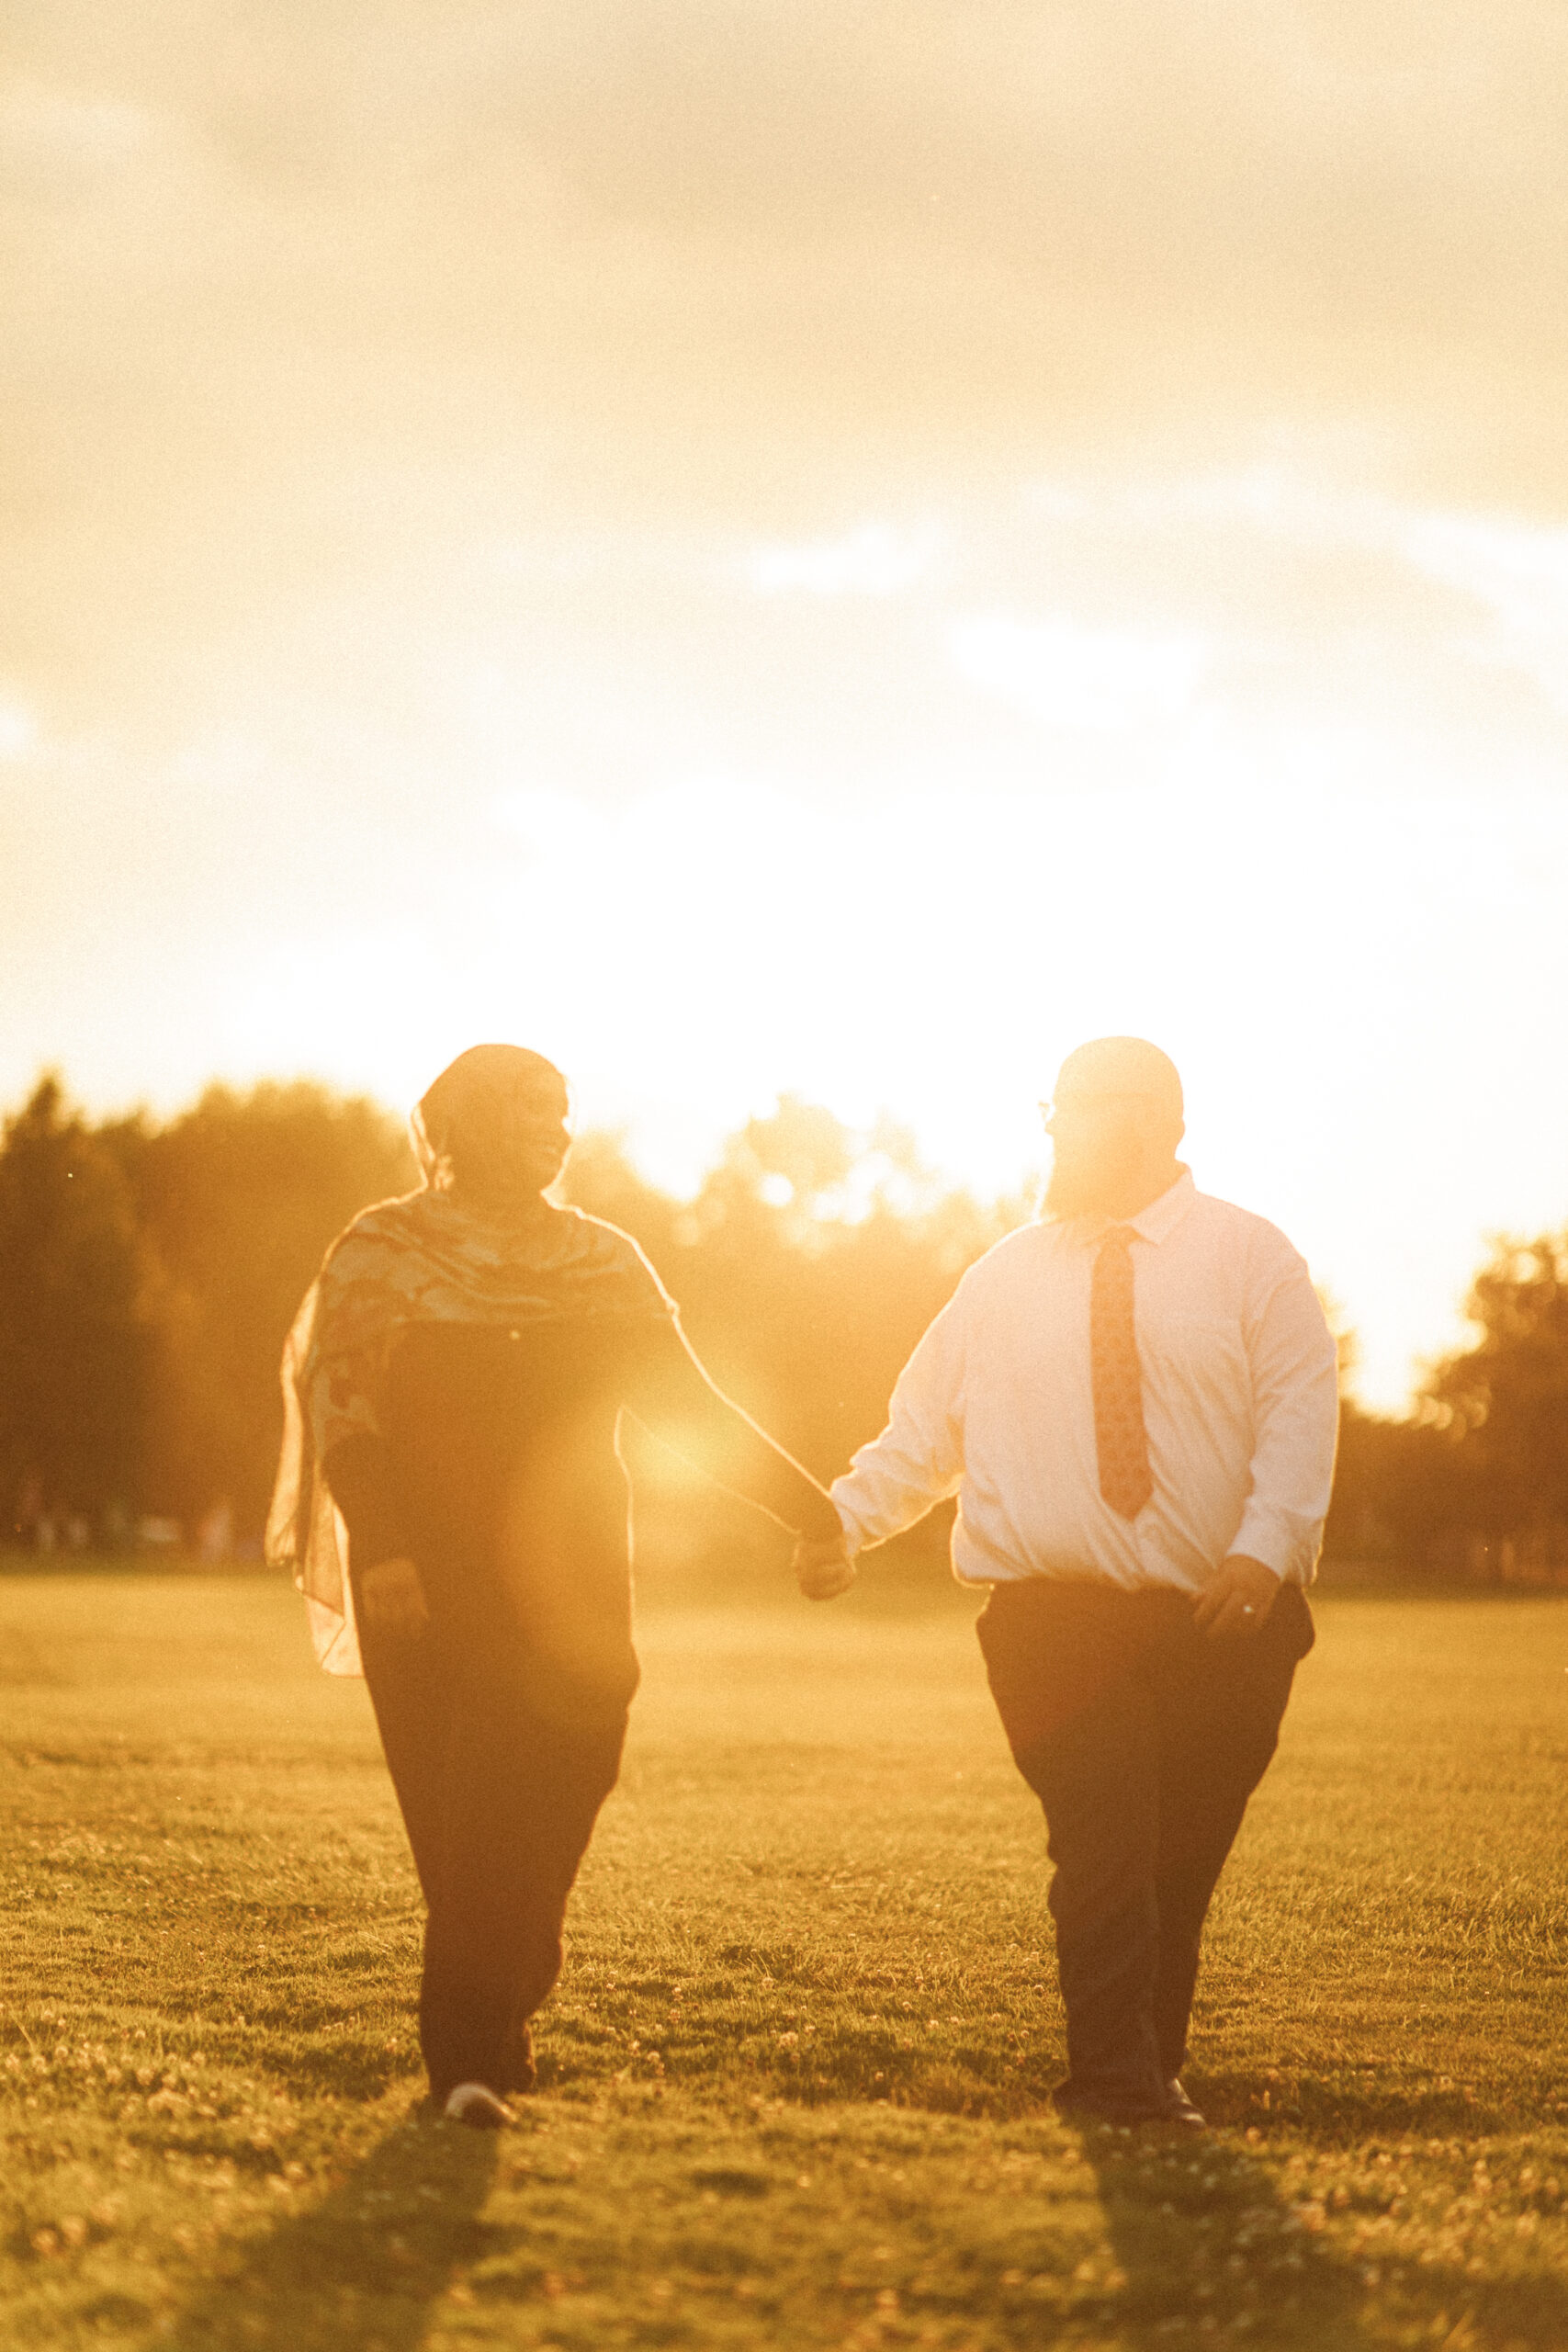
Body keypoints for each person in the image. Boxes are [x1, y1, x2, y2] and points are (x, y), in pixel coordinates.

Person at [267, 1043, 845, 2128]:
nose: (559, 1131)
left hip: (575, 1591)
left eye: (566, 1112)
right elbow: (344, 1409)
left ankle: (505, 1986)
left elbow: (693, 1407)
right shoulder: (381, 1253)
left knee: (567, 1774)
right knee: (466, 1814)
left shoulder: (603, 1262)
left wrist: (813, 1510)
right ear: (468, 1121)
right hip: (424, 1585)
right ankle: (470, 2066)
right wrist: (382, 1547)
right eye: (534, 1109)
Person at [795, 1037, 1339, 2129]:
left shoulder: (1250, 1258)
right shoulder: (1003, 1275)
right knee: (1105, 1843)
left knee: (1176, 1868)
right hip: (1051, 1619)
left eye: (1072, 1111)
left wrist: (1262, 1546)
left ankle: (1147, 2066)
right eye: (1049, 1109)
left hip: (1224, 1618)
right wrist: (844, 1524)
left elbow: (1298, 1408)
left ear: (1150, 1119)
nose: (1050, 1131)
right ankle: (1111, 2080)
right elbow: (922, 1435)